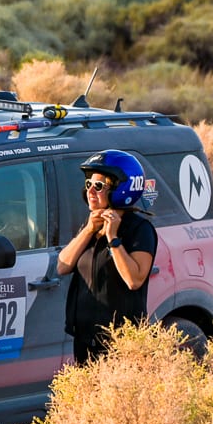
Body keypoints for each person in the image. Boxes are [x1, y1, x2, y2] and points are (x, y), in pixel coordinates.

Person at [59, 149, 157, 364]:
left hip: (120, 342)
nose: (91, 191)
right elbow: (62, 266)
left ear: (122, 189)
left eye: (99, 186)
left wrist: (113, 238)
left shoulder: (139, 229)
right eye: (88, 185)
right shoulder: (91, 226)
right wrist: (87, 231)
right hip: (85, 337)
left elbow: (134, 280)